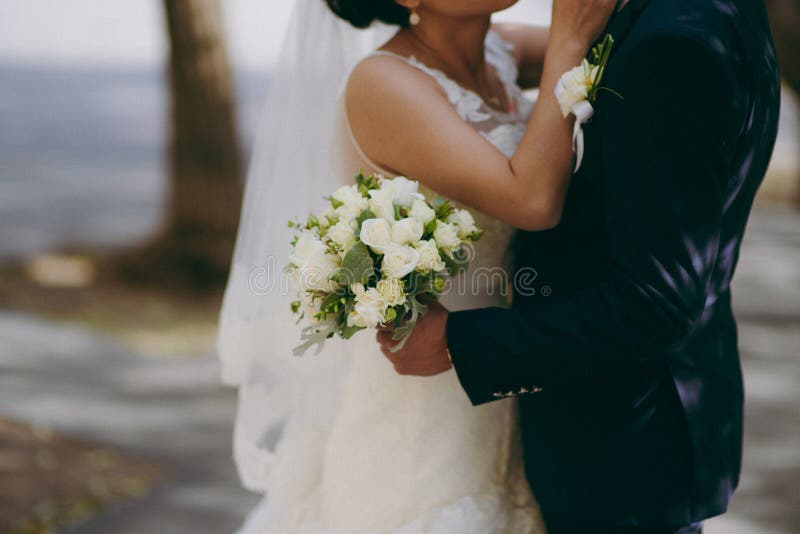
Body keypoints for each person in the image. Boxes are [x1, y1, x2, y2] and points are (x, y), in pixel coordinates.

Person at [379, 0, 781, 533]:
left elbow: (655, 302)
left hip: (621, 446)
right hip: (601, 434)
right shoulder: (691, 15)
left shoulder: (671, 44)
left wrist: (459, 341)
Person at [219, 0, 619, 532]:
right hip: (420, 418)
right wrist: (568, 45)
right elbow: (533, 201)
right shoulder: (382, 83)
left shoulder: (500, 51)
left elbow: (616, 31)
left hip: (504, 378)